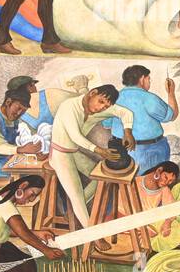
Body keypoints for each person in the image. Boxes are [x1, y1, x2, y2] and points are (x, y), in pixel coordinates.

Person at [49, 84, 135, 228]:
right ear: (92, 93)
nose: (102, 108)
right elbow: (75, 136)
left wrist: (128, 131)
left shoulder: (100, 109)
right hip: (60, 155)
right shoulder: (69, 107)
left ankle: (76, 208)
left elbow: (126, 112)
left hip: (74, 152)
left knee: (101, 177)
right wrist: (100, 151)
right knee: (77, 197)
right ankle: (92, 235)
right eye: (101, 101)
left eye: (106, 106)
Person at [108, 65, 178, 172]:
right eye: (148, 79)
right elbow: (172, 116)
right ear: (142, 79)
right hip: (149, 152)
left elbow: (106, 124)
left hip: (121, 153)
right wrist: (171, 93)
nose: (149, 82)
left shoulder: (114, 97)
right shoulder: (149, 98)